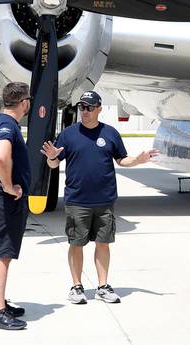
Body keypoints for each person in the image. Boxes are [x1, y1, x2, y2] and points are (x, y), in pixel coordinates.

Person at [41, 90, 157, 304]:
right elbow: (54, 163)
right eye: (82, 107)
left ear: (99, 109)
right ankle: (76, 287)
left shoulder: (110, 133)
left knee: (103, 244)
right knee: (76, 243)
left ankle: (102, 286)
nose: (85, 111)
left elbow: (122, 160)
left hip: (104, 201)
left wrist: (139, 160)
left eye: (89, 107)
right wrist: (51, 158)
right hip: (77, 201)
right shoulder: (68, 134)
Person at [0, 82, 32, 330]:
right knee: (1, 254)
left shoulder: (1, 123)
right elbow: (2, 156)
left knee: (2, 252)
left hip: (1, 200)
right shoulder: (7, 125)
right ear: (24, 103)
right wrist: (9, 186)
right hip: (3, 201)